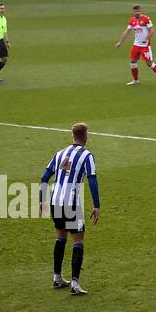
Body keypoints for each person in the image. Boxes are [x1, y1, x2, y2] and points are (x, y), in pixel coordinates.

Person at [39, 122, 99, 296]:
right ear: (85, 136)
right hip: (71, 202)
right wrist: (96, 205)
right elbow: (92, 180)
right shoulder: (87, 155)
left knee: (60, 238)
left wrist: (42, 199)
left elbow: (44, 177)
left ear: (72, 136)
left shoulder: (59, 154)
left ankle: (57, 277)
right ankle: (74, 283)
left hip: (55, 200)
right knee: (78, 241)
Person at [114, 5, 156, 86]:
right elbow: (127, 32)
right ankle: (136, 80)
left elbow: (152, 30)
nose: (137, 13)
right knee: (133, 62)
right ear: (133, 11)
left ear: (140, 11)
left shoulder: (146, 19)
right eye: (135, 11)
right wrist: (120, 42)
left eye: (138, 11)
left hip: (145, 46)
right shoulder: (132, 20)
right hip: (136, 45)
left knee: (149, 63)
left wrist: (146, 38)